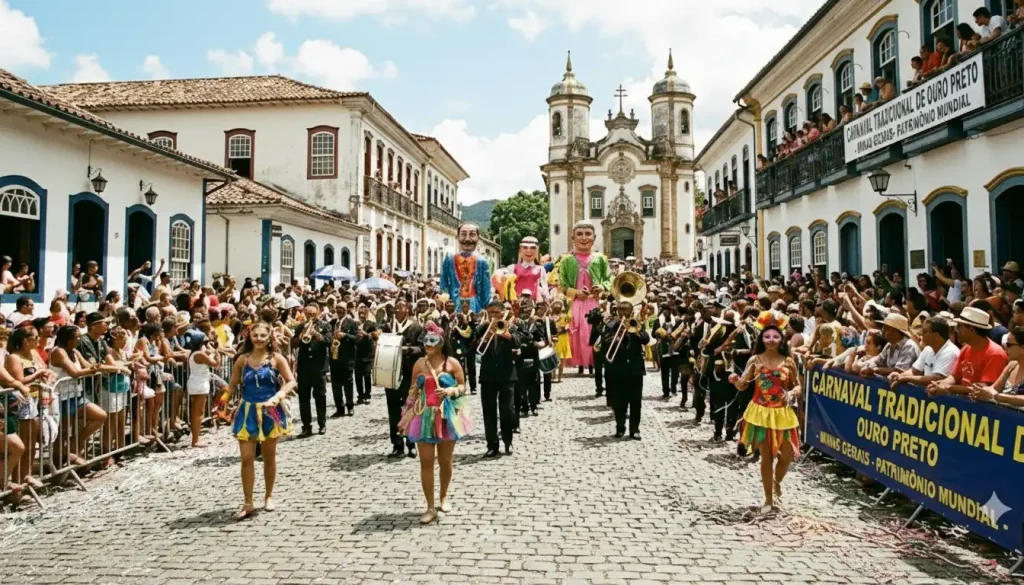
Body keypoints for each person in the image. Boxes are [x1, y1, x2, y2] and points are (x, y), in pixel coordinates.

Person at [398, 321, 472, 524]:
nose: (428, 345)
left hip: (446, 416)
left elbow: (463, 386)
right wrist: (407, 413)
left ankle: (444, 496)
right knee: (426, 462)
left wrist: (450, 390)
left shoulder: (452, 364)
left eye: (433, 341)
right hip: (424, 416)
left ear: (441, 342)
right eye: (425, 341)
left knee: (446, 461)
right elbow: (412, 390)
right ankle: (429, 506)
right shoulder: (419, 364)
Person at [729, 311, 801, 514]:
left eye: (775, 336)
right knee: (767, 456)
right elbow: (743, 385)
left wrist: (793, 393)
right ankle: (768, 498)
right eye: (767, 336)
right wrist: (736, 381)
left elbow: (797, 385)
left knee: (786, 455)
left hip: (783, 413)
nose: (771, 340)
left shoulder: (789, 361)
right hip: (760, 412)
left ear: (781, 339)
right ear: (761, 338)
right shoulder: (754, 360)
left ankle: (777, 482)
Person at [226, 321, 295, 519]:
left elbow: (291, 381)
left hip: (270, 411)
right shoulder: (242, 360)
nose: (258, 339)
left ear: (268, 338)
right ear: (250, 337)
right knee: (247, 458)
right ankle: (248, 502)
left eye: (262, 336)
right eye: (255, 335)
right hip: (247, 411)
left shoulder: (277, 359)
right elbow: (233, 383)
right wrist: (223, 399)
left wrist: (279, 395)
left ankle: (268, 496)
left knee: (268, 456)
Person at [558, 221, 613, 375]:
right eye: (580, 234)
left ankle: (594, 362)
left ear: (594, 237)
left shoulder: (601, 258)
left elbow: (609, 279)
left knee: (593, 332)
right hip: (577, 303)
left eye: (588, 234)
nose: (584, 238)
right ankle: (580, 364)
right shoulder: (566, 260)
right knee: (577, 332)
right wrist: (576, 293)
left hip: (595, 303)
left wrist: (602, 287)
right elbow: (562, 286)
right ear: (573, 237)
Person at [928, 306, 1009, 397]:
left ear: (971, 329)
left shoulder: (995, 354)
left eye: (959, 326)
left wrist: (948, 388)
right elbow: (955, 376)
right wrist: (942, 383)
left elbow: (982, 388)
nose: (956, 329)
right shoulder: (966, 348)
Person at [381, 300, 423, 458]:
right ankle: (397, 444)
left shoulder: (416, 327)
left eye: (402, 306)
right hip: (391, 372)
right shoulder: (387, 326)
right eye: (396, 307)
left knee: (409, 409)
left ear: (408, 310)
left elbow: (423, 348)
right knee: (393, 410)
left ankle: (411, 444)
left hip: (409, 374)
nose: (398, 309)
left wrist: (408, 349)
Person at [475, 300, 517, 457]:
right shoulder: (483, 328)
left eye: (495, 313)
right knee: (489, 412)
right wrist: (484, 339)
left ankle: (508, 441)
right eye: (490, 313)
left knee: (507, 411)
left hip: (506, 375)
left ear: (502, 312)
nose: (492, 316)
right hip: (488, 376)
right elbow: (473, 347)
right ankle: (492, 445)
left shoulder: (510, 326)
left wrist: (507, 335)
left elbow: (521, 341)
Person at [603, 300, 650, 439]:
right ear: (617, 311)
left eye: (626, 310)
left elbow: (646, 339)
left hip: (635, 369)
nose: (623, 312)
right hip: (618, 368)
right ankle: (620, 427)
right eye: (621, 310)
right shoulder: (611, 325)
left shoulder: (637, 324)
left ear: (630, 311)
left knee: (636, 401)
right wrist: (618, 336)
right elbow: (604, 342)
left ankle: (635, 429)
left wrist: (634, 332)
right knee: (619, 401)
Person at [292, 303, 331, 437]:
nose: (310, 317)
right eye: (307, 314)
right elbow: (293, 344)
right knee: (304, 398)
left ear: (318, 313)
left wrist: (317, 334)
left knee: (320, 396)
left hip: (319, 367)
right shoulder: (300, 326)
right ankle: (306, 426)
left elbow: (329, 341)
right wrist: (301, 335)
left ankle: (322, 424)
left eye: (312, 314)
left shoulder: (325, 325)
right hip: (304, 367)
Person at [890, 316, 960, 387]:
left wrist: (906, 378)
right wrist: (899, 376)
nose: (921, 334)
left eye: (925, 331)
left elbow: (936, 378)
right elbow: (914, 371)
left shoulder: (951, 352)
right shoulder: (928, 349)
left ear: (936, 335)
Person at [439, 223, 492, 314]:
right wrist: (446, 302)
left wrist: (483, 308)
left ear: (478, 238)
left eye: (472, 234)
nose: (467, 239)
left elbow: (486, 289)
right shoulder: (449, 260)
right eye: (463, 234)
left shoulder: (482, 262)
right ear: (457, 237)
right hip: (453, 306)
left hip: (476, 307)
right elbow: (444, 284)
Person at [970, 327, 1024, 404]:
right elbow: (993, 388)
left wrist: (996, 396)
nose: (1005, 348)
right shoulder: (1012, 365)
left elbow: (994, 394)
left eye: (1009, 345)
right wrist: (981, 390)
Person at [187, 339, 219, 448]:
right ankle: (195, 440)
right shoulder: (199, 354)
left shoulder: (195, 354)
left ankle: (196, 438)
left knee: (196, 412)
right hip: (200, 384)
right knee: (198, 413)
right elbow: (215, 363)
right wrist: (215, 352)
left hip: (197, 382)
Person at [329, 302, 357, 418]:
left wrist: (345, 335)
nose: (339, 310)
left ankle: (350, 406)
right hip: (335, 357)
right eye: (337, 308)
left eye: (341, 308)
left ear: (346, 310)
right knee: (335, 384)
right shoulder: (332, 322)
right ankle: (339, 408)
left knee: (348, 383)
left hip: (347, 358)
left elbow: (356, 338)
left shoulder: (351, 322)